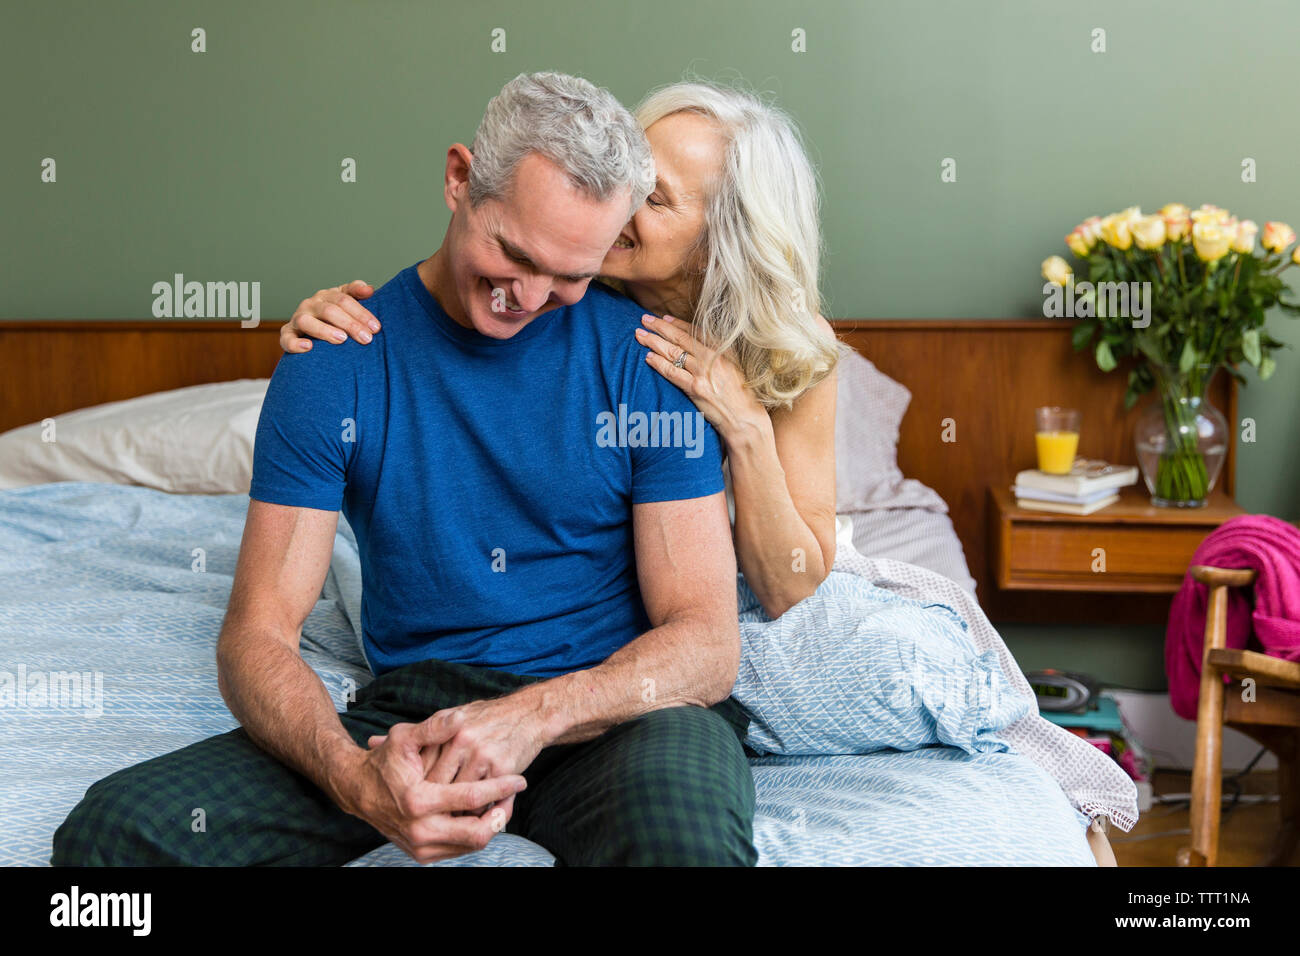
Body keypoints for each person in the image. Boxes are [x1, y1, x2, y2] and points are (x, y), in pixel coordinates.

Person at [282, 79, 1121, 867]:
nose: (619, 208)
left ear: (723, 232)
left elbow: (793, 581)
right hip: (614, 602)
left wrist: (747, 430)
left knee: (938, 690)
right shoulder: (561, 289)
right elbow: (468, 305)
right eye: (630, 181)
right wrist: (341, 322)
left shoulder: (795, 355)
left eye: (655, 198)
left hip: (766, 597)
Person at [52, 72, 757, 868]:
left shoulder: (646, 361)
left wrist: (534, 717)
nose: (526, 297)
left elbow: (704, 641)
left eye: (570, 276)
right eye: (512, 254)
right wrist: (354, 776)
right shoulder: (336, 364)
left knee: (685, 846)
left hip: (617, 716)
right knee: (112, 837)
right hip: (417, 714)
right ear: (459, 180)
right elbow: (256, 636)